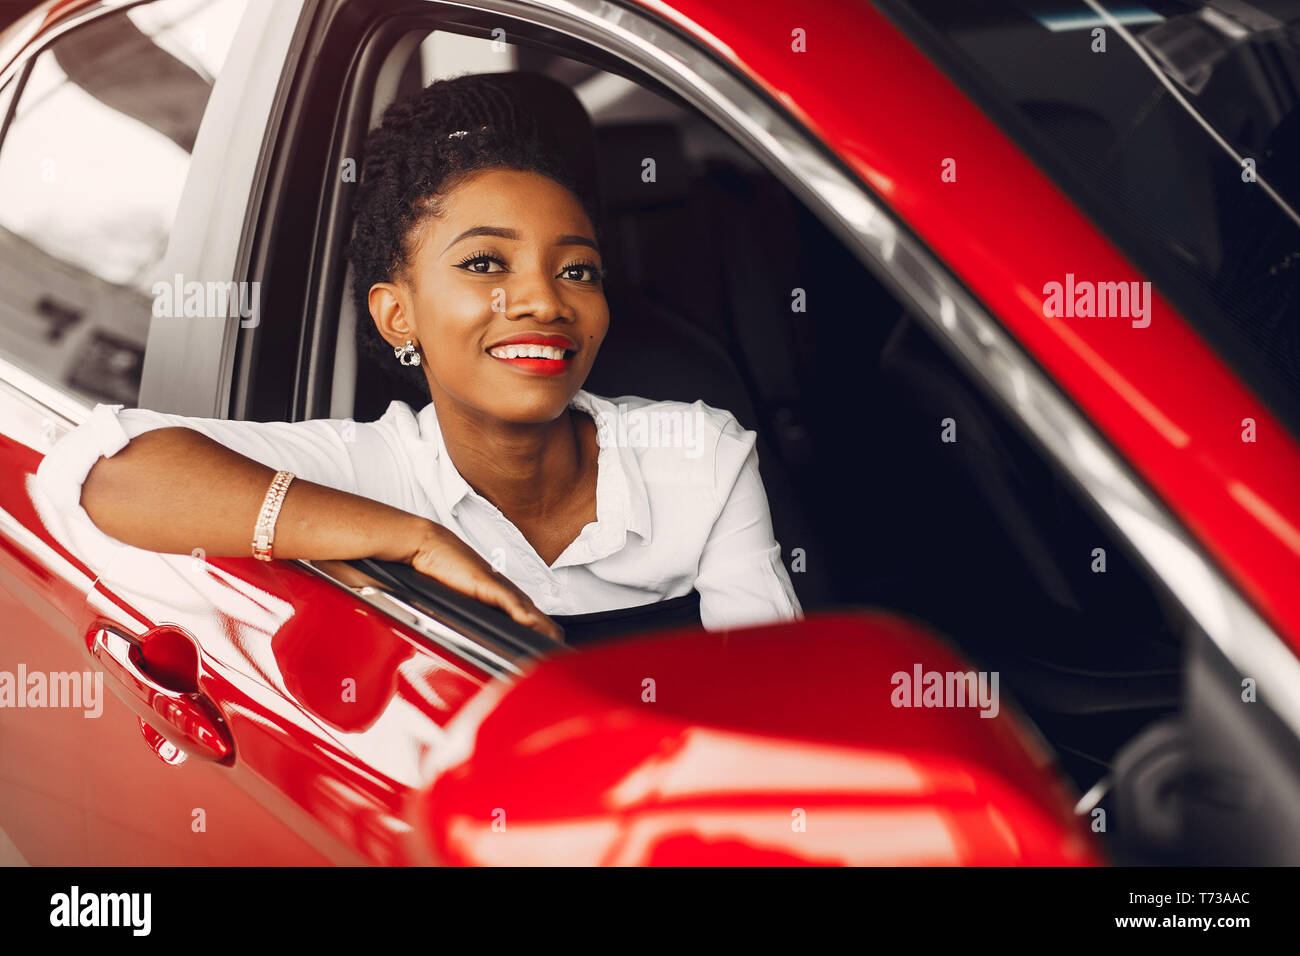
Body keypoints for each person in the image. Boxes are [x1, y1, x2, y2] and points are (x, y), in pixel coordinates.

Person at [33, 71, 802, 641]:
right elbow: (99, 471)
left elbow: (781, 705)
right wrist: (411, 536)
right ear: (397, 313)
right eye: (484, 265)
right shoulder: (366, 467)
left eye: (577, 270)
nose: (545, 301)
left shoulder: (700, 454)